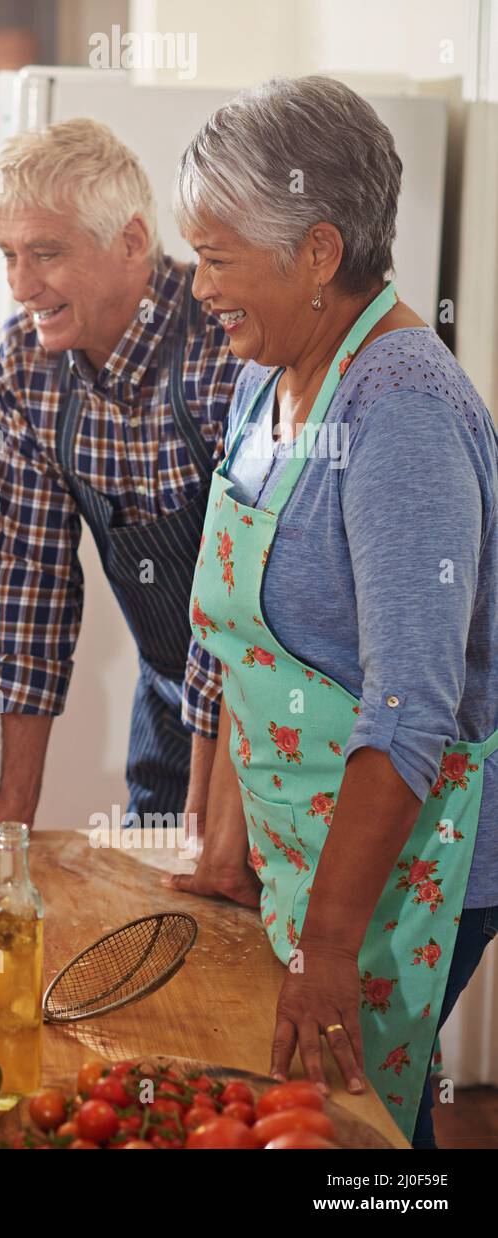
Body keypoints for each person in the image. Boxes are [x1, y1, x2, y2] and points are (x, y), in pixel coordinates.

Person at [166, 75, 498, 1146]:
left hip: (401, 869)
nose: (197, 284)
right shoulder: (261, 380)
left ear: (316, 253)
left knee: (352, 1131)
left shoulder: (399, 408)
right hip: (293, 853)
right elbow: (229, 640)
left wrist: (327, 942)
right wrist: (222, 844)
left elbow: (408, 708)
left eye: (217, 258)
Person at [0, 120, 240, 837]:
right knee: (158, 918)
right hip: (167, 695)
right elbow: (35, 577)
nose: (21, 285)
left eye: (46, 253)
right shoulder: (28, 364)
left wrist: (205, 817)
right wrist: (13, 805)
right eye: (8, 255)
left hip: (271, 717)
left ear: (131, 242)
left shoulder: (222, 346)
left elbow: (241, 601)